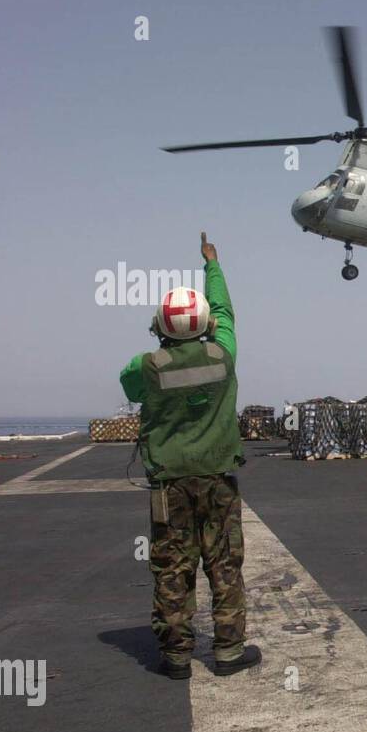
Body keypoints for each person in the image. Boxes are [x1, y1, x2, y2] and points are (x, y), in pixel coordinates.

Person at [120, 232, 261, 680]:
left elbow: (129, 385)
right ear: (206, 325)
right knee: (224, 564)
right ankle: (227, 652)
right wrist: (212, 265)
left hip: (170, 487)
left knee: (171, 566)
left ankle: (177, 657)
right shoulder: (224, 356)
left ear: (161, 327)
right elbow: (224, 312)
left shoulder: (147, 366)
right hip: (218, 482)